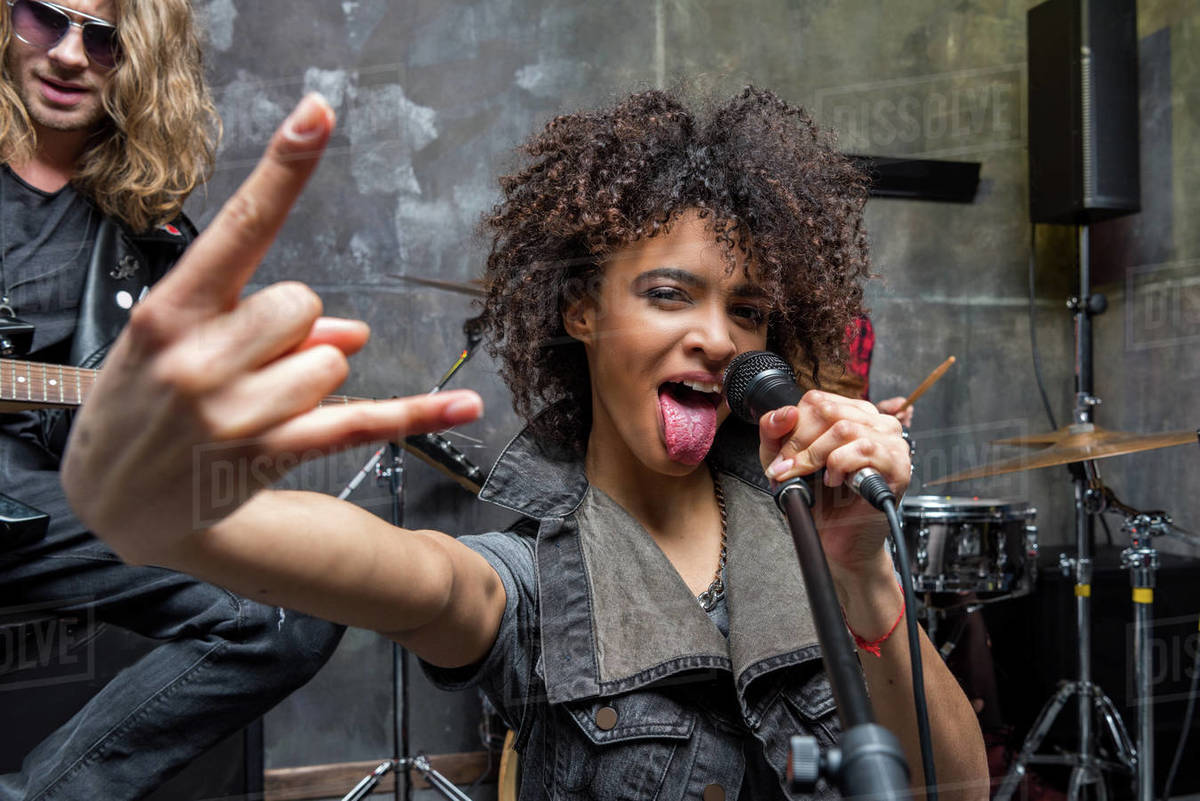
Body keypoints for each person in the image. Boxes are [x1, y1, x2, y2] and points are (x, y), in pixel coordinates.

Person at [62, 87, 989, 800]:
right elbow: (406, 574)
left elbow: (962, 785)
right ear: (581, 310)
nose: (719, 336)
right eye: (670, 294)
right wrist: (171, 517)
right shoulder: (530, 582)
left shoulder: (807, 527)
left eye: (746, 309)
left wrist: (862, 571)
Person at [0, 2, 343, 798]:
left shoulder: (153, 232)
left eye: (105, 39)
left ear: (140, 63)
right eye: (43, 21)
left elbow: (178, 408)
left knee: (293, 602)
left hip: (59, 495)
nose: (69, 55)